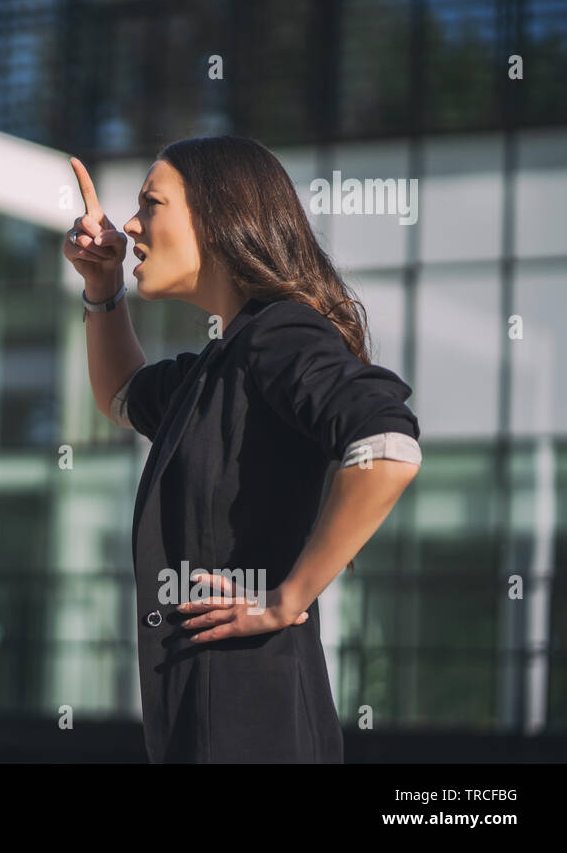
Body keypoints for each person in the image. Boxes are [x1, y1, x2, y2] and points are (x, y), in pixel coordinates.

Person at [63, 135, 421, 763]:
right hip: (215, 724)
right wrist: (102, 285)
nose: (130, 223)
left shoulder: (278, 332)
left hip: (249, 728)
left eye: (152, 203)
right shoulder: (221, 364)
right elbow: (121, 393)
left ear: (220, 215)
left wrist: (289, 596)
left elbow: (388, 444)